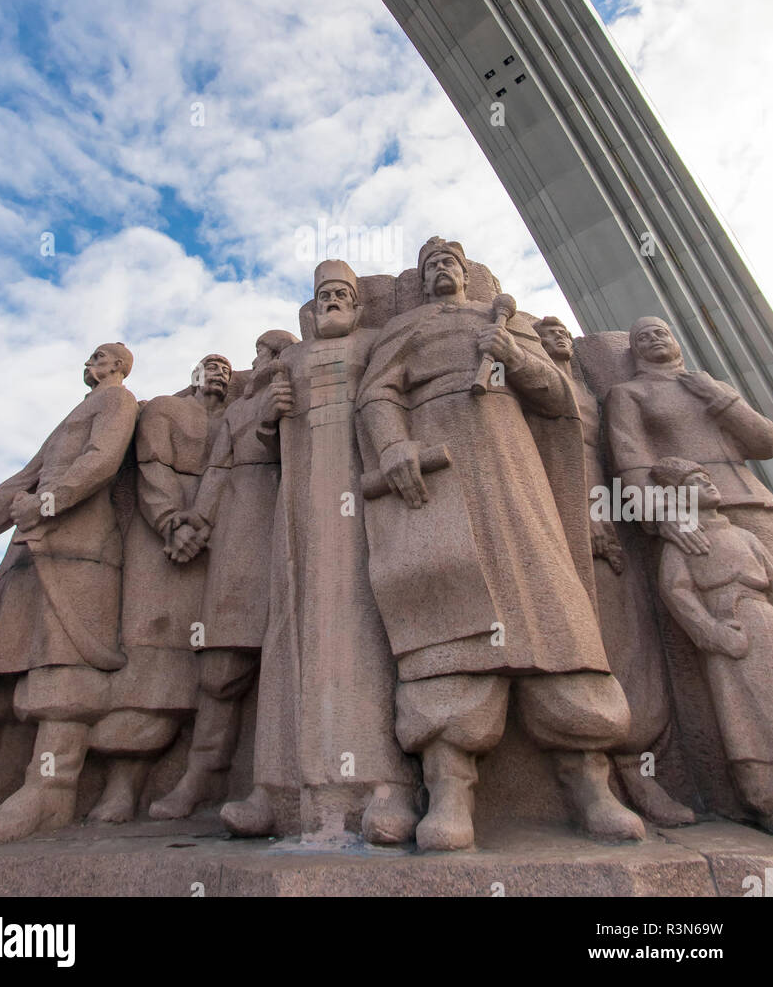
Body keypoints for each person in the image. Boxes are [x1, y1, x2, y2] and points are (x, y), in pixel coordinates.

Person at [355, 238, 643, 851]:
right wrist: (394, 446)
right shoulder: (406, 328)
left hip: (514, 465)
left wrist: (513, 353)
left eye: (451, 262)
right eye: (431, 263)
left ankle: (590, 784)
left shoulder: (505, 322)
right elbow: (377, 393)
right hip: (439, 470)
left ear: (467, 274)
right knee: (446, 617)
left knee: (551, 608)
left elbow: (556, 398)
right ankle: (450, 788)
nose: (442, 270)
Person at [221, 261, 418, 844]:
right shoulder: (294, 360)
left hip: (356, 503)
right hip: (298, 507)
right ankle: (275, 790)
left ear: (357, 306)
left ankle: (387, 787)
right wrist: (271, 416)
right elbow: (264, 439)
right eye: (323, 295)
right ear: (311, 310)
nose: (333, 301)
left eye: (342, 294)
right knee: (289, 636)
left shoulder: (374, 344)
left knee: (361, 631)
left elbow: (392, 404)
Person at [0, 344, 138, 844]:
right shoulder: (75, 412)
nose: (89, 363)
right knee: (17, 672)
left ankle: (51, 789)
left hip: (78, 547)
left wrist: (48, 504)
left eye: (99, 356)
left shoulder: (118, 401)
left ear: (117, 366)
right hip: (31, 551)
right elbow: (20, 482)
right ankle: (9, 780)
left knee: (64, 673)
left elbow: (102, 461)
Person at [534, 316, 694, 826]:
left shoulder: (593, 392)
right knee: (581, 644)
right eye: (545, 332)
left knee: (629, 642)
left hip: (609, 518)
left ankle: (639, 770)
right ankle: (593, 778)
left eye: (562, 330)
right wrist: (585, 511)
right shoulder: (529, 386)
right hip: (558, 520)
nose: (557, 335)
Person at [148, 330, 298, 819]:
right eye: (260, 353)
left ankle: (280, 784)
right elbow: (216, 470)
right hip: (238, 533)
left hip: (296, 523)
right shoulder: (236, 410)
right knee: (221, 664)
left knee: (294, 657)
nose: (263, 361)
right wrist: (199, 521)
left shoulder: (303, 387)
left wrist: (276, 424)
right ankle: (203, 777)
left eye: (274, 352)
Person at [88, 352, 234, 823]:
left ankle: (202, 775)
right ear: (192, 375)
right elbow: (152, 465)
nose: (220, 373)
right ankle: (122, 785)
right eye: (211, 366)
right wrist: (172, 521)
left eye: (226, 370)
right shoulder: (165, 410)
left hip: (221, 533)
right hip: (162, 536)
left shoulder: (234, 417)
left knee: (210, 662)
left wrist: (206, 523)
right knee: (150, 653)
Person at [652, 457, 773, 832]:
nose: (707, 483)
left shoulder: (747, 537)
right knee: (744, 716)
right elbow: (677, 592)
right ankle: (764, 798)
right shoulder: (686, 541)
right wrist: (711, 632)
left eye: (706, 477)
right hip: (730, 630)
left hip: (764, 619)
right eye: (694, 481)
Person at [604, 316, 773, 555]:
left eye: (660, 333)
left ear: (675, 340)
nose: (653, 339)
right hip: (689, 510)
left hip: (753, 500)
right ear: (635, 351)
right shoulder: (628, 393)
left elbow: (765, 444)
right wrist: (661, 511)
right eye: (643, 337)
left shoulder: (716, 387)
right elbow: (630, 459)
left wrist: (718, 397)